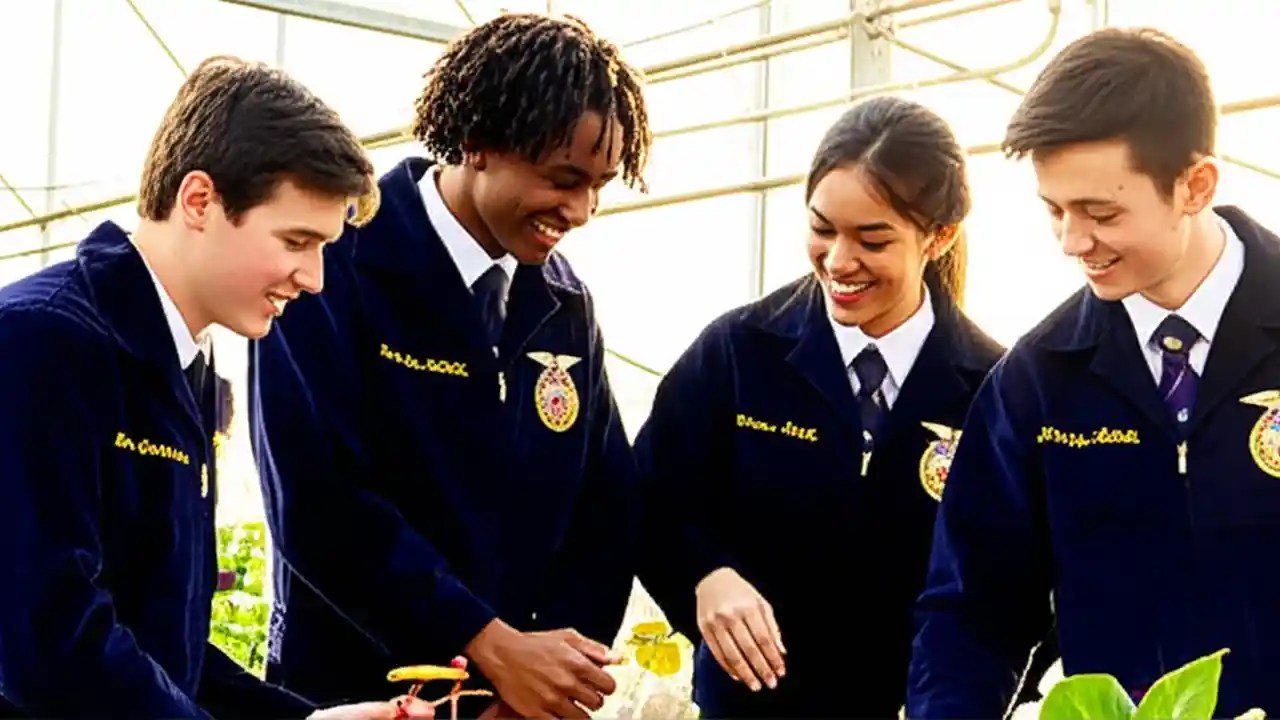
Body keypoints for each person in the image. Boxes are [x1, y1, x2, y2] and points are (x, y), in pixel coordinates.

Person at [0, 55, 433, 720]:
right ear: (199, 201)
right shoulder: (41, 343)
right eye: (296, 240)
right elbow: (48, 643)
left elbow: (168, 645)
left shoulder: (189, 370)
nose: (315, 278)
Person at [247, 12, 652, 719]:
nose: (582, 210)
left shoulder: (564, 305)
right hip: (353, 697)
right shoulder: (335, 266)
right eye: (563, 178)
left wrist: (542, 681)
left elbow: (606, 511)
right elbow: (318, 502)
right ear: (479, 142)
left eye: (598, 185)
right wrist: (485, 644)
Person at [906, 27, 1280, 718]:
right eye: (1055, 211)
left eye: (1101, 213)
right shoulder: (1039, 380)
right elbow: (972, 609)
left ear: (1194, 185)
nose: (1074, 243)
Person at [632, 96, 1012, 718]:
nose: (839, 261)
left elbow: (1019, 580)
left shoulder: (993, 388)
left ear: (938, 237)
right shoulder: (739, 352)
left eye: (873, 239)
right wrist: (705, 575)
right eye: (822, 228)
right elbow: (650, 496)